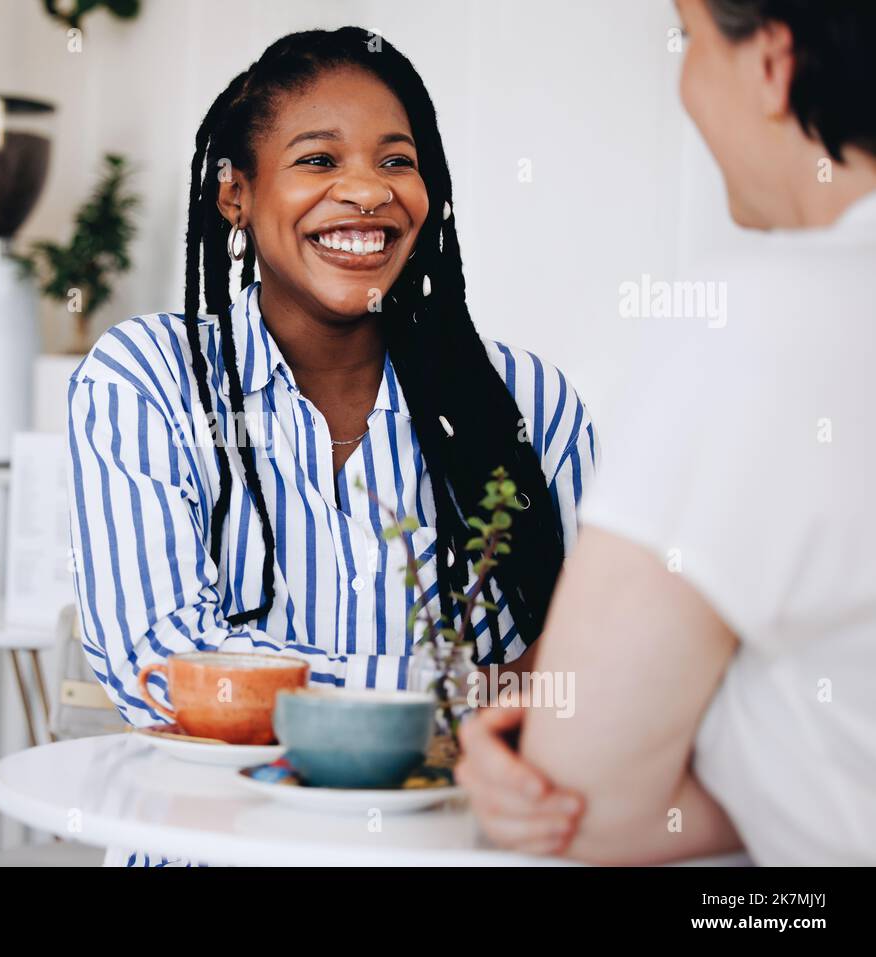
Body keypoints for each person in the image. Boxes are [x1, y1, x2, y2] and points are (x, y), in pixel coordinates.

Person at [66, 27, 595, 864]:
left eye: (396, 161)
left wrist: (282, 684)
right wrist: (469, 694)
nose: (365, 193)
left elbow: (595, 672)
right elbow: (162, 665)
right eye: (318, 160)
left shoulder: (530, 404)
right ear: (234, 193)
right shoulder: (151, 380)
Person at [456, 0, 876, 865]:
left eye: (687, 40)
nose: (683, 81)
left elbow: (580, 804)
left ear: (770, 62)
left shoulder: (760, 322)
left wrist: (569, 737)